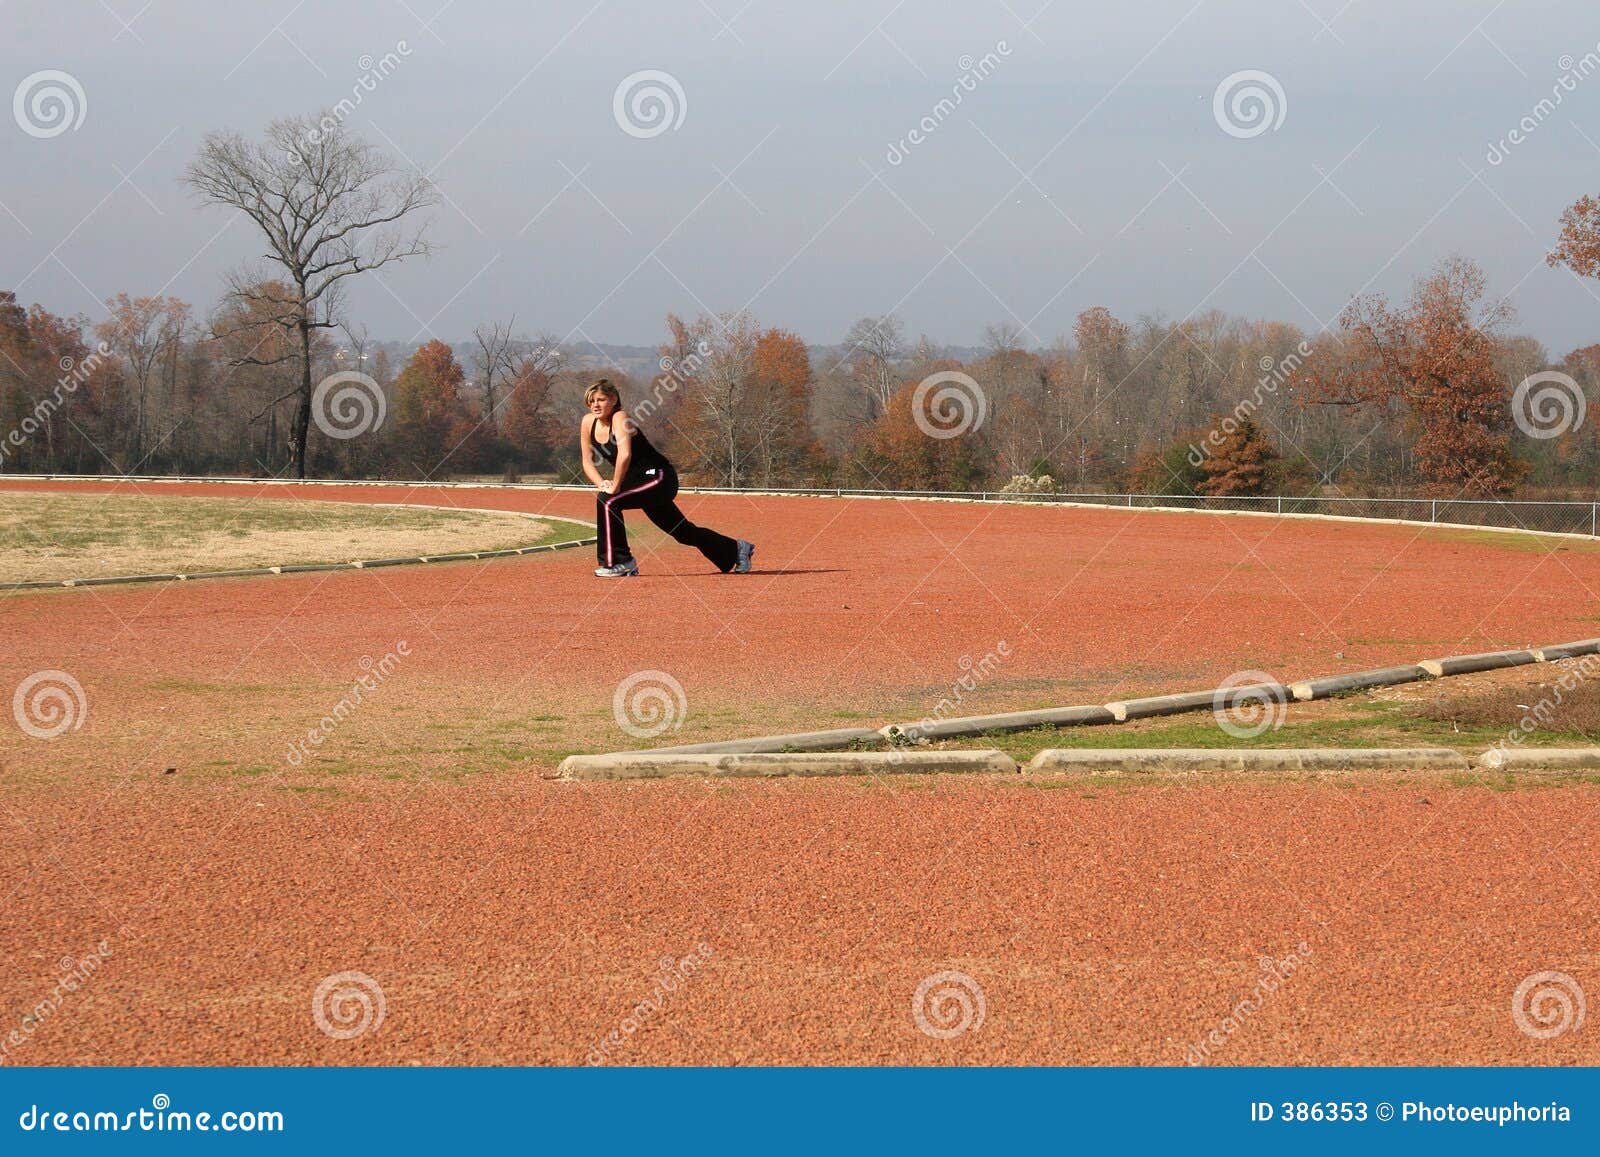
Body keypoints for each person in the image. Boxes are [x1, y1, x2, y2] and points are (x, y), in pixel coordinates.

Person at [579, 379, 754, 578]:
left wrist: (615, 485)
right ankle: (738, 549)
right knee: (682, 532)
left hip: (659, 477)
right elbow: (587, 461)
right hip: (638, 483)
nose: (595, 404)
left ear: (613, 399)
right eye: (591, 401)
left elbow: (625, 454)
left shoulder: (620, 417)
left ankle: (620, 561)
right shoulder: (587, 422)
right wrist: (602, 483)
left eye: (600, 399)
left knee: (607, 501)